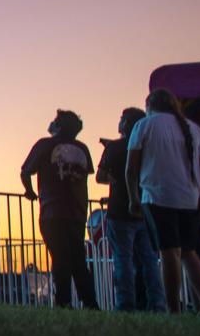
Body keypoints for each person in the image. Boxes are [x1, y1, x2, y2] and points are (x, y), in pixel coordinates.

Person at [127, 88, 200, 314]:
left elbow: (131, 168)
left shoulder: (144, 126)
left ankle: (173, 310)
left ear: (149, 105)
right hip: (189, 199)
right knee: (189, 254)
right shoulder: (192, 128)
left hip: (157, 195)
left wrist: (133, 198)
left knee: (169, 252)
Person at [20, 109, 99, 309]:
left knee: (60, 257)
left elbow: (25, 171)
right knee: (78, 259)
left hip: (52, 210)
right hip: (78, 211)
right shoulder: (82, 148)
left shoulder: (45, 145)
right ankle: (89, 301)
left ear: (59, 125)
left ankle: (63, 301)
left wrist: (29, 191)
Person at [96, 107, 167, 311]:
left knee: (123, 260)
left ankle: (126, 304)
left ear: (126, 124)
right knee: (149, 261)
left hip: (119, 211)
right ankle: (158, 303)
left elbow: (100, 176)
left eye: (121, 119)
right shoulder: (149, 148)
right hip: (146, 210)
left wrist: (117, 179)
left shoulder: (115, 148)